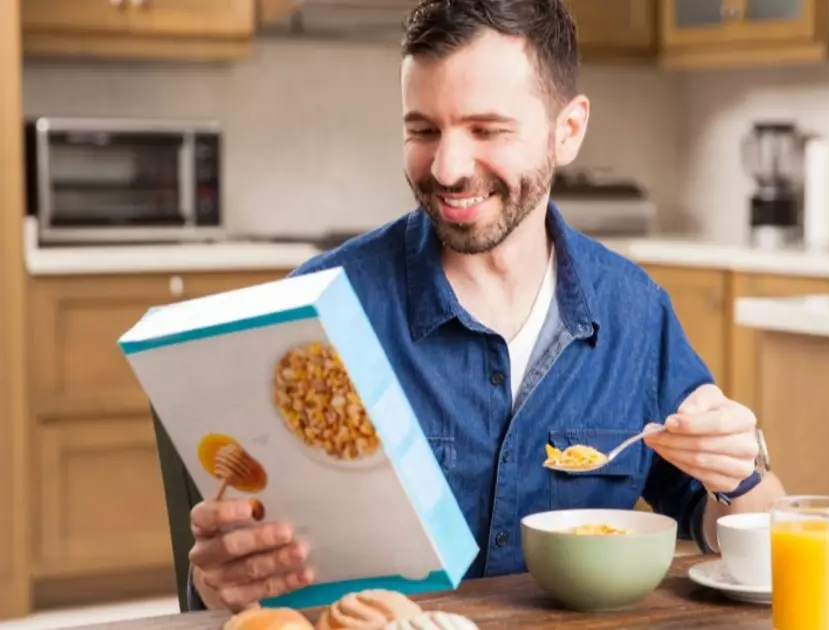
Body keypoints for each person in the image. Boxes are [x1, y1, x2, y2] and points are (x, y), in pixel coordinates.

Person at [184, 0, 786, 612]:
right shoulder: (315, 318)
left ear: (568, 131)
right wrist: (218, 584)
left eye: (487, 130)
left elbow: (741, 535)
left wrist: (738, 472)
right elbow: (226, 577)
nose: (447, 168)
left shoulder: (635, 313)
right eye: (423, 130)